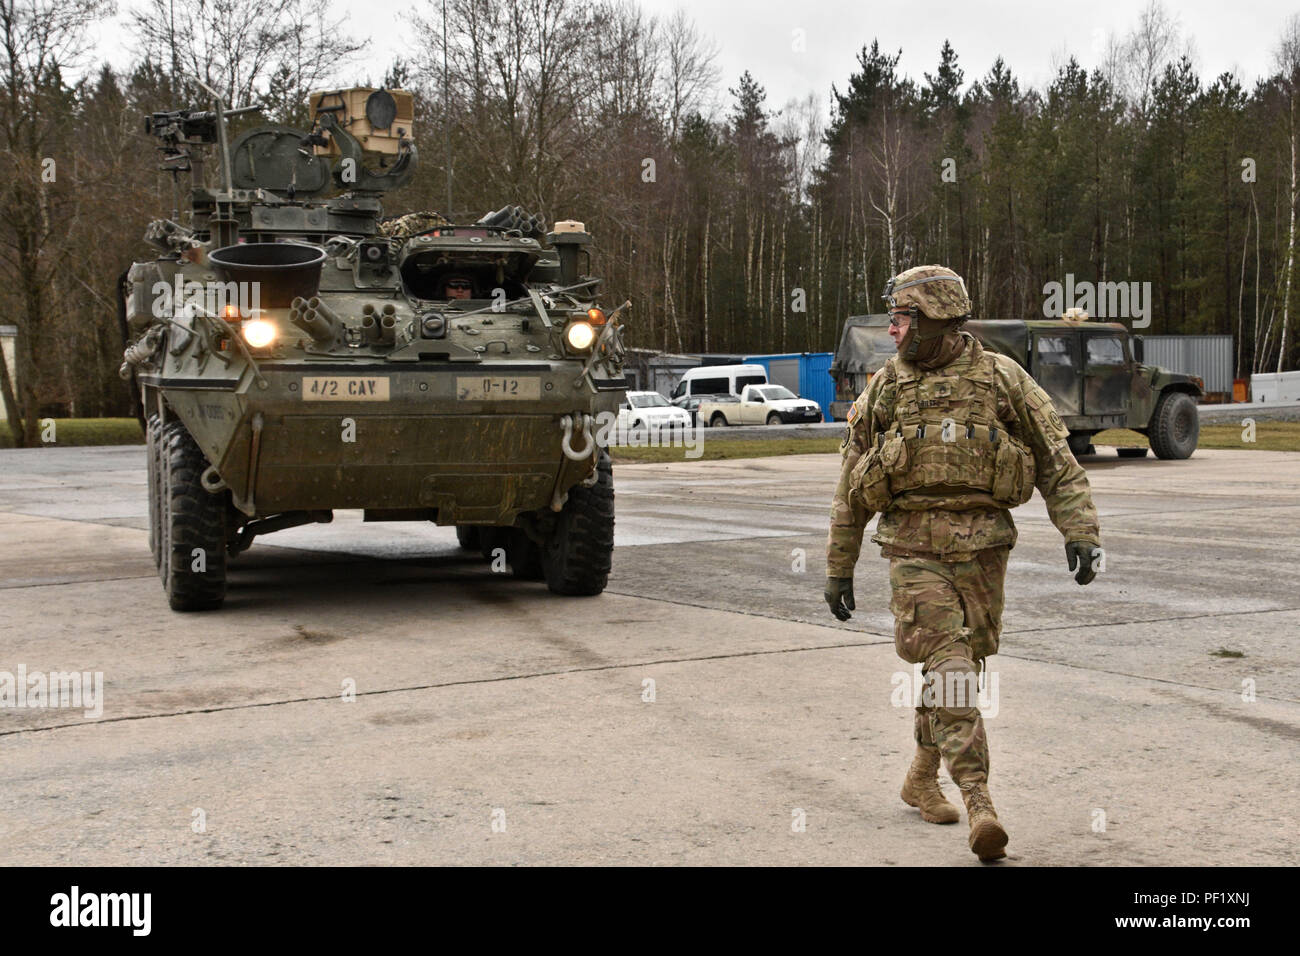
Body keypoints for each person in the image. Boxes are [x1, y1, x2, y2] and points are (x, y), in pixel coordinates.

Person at [824, 264, 1102, 861]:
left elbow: (1055, 458)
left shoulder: (1001, 379)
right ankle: (979, 800)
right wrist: (838, 565)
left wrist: (1079, 530)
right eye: (893, 319)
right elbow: (851, 481)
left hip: (983, 551)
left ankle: (921, 775)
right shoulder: (884, 388)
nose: (893, 331)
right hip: (912, 548)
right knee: (951, 663)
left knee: (958, 667)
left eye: (903, 319)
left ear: (937, 320)